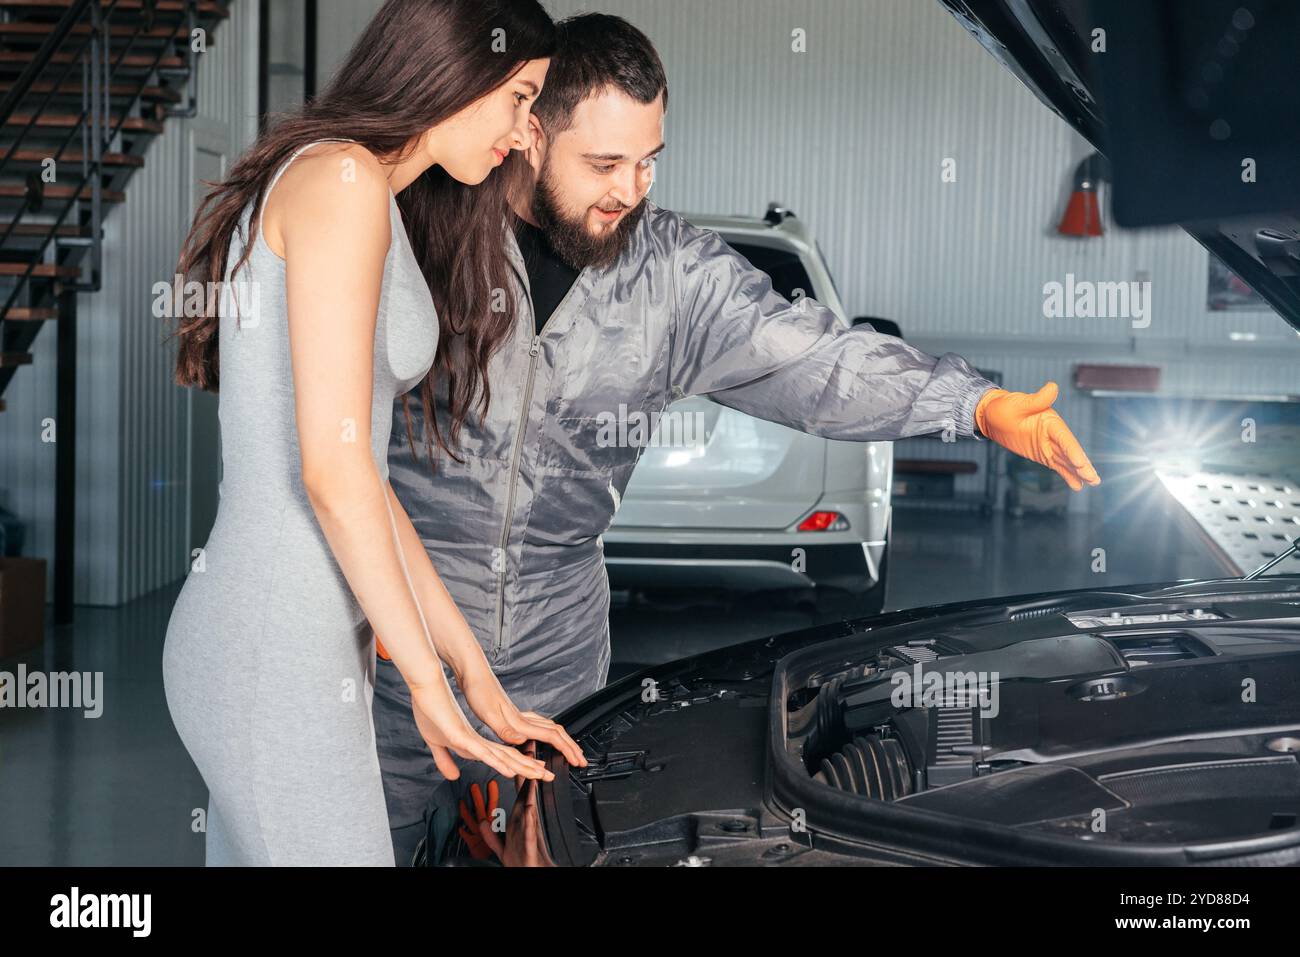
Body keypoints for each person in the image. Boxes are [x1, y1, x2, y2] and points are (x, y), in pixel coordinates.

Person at [373, 13, 1100, 866]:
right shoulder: (423, 228)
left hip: (553, 653)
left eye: (648, 160)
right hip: (393, 640)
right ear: (530, 131)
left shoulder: (673, 275)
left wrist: (975, 404)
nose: (630, 189)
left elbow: (819, 361)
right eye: (603, 164)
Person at [160, 0, 583, 867]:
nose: (523, 128)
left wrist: (470, 675)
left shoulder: (365, 191)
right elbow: (332, 474)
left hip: (300, 647)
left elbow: (366, 483)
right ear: (458, 64)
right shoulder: (343, 181)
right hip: (271, 643)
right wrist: (428, 687)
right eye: (519, 96)